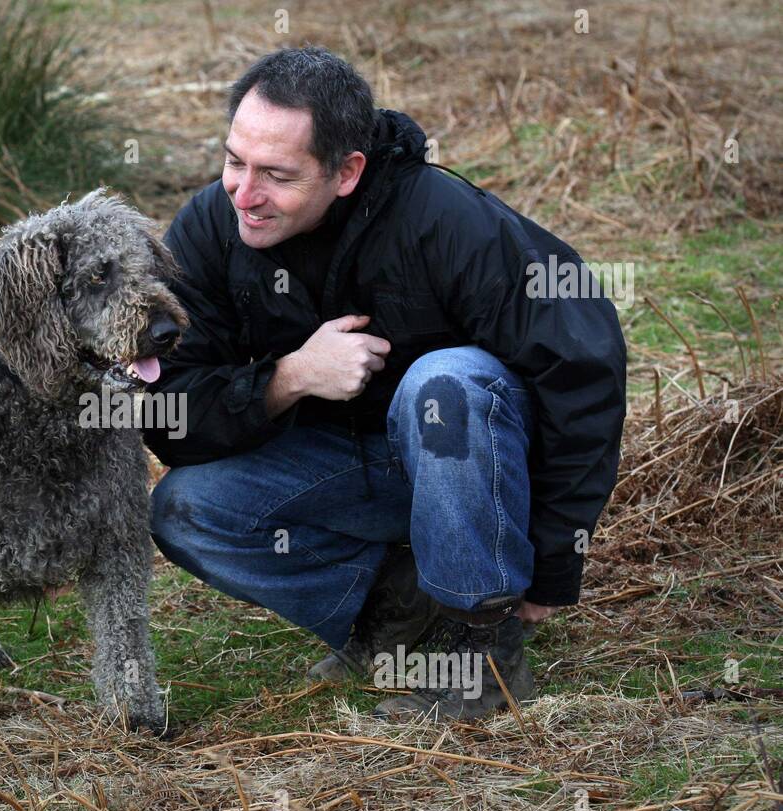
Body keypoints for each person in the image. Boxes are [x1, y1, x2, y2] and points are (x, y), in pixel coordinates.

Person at [144, 46, 626, 720]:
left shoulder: (441, 218)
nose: (245, 195)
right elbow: (167, 411)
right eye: (234, 162)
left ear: (347, 172)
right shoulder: (210, 228)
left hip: (474, 468)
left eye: (277, 175)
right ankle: (399, 610)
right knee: (183, 508)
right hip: (347, 470)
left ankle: (482, 650)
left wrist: (553, 560)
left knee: (444, 383)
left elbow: (582, 360)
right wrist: (288, 378)